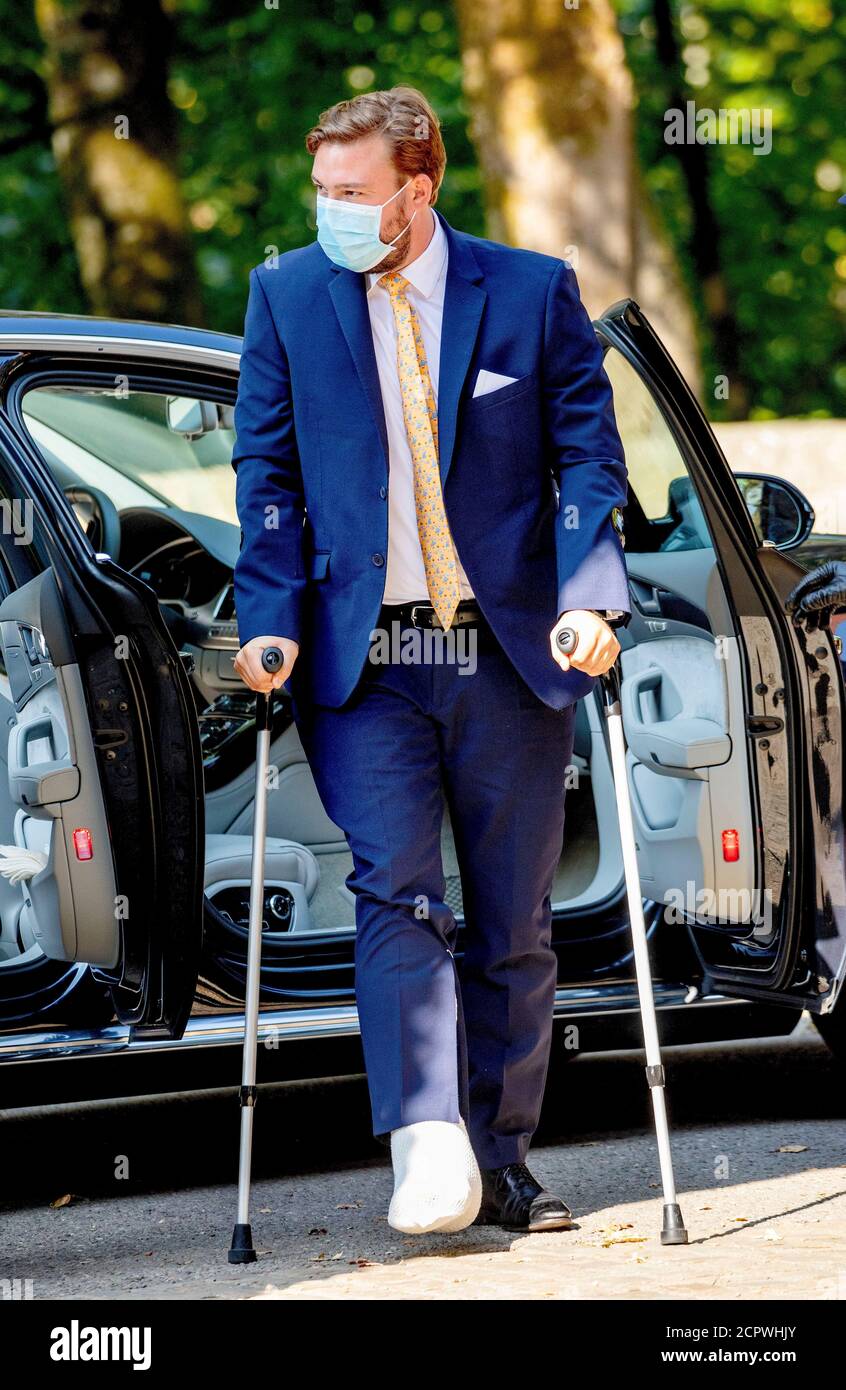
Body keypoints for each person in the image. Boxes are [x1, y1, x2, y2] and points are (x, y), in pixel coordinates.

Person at [230, 86, 631, 1236]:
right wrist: (271, 615)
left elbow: (588, 465)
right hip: (364, 659)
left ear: (421, 185)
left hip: (505, 650)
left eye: (352, 193)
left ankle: (501, 1156)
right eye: (322, 190)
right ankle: (425, 1136)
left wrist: (591, 598)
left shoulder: (533, 289)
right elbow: (268, 481)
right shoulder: (286, 294)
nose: (332, 212)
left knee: (512, 921)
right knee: (395, 888)